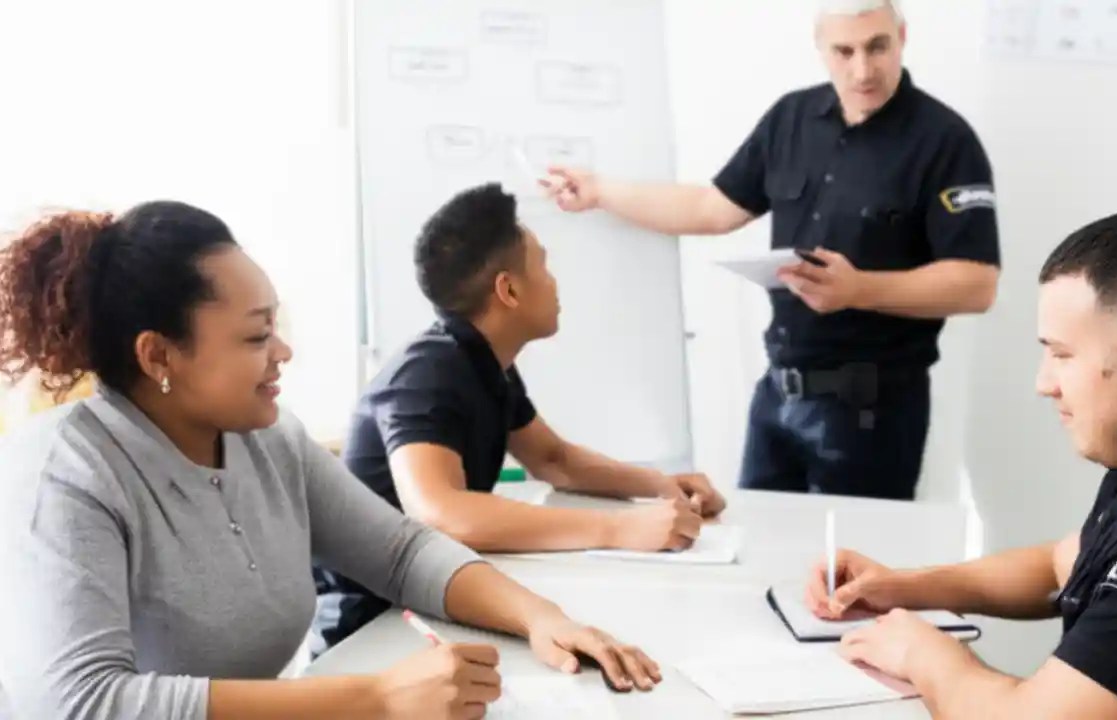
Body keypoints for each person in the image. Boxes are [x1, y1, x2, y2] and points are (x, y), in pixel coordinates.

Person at [0, 201, 662, 720]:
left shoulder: (268, 439)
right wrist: (373, 701)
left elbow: (401, 552)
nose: (282, 352)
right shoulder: (67, 473)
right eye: (257, 335)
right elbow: (81, 705)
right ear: (158, 356)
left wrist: (542, 617)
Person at [804, 209, 1117, 719]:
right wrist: (905, 587)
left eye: (1062, 354)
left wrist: (924, 653)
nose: (1044, 382)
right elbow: (1067, 561)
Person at [542, 0, 1000, 500]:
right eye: (844, 51)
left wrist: (861, 289)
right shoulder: (791, 119)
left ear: (903, 37)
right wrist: (601, 192)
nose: (863, 69)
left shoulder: (945, 140)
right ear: (820, 48)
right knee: (759, 557)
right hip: (777, 395)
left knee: (851, 573)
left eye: (877, 47)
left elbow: (976, 283)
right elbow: (711, 208)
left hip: (873, 411)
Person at [312, 183, 726, 652]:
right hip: (372, 627)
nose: (554, 282)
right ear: (508, 290)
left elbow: (554, 460)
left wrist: (661, 485)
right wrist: (620, 529)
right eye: (544, 266)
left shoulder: (483, 362)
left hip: (429, 602)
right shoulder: (426, 372)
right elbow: (439, 513)